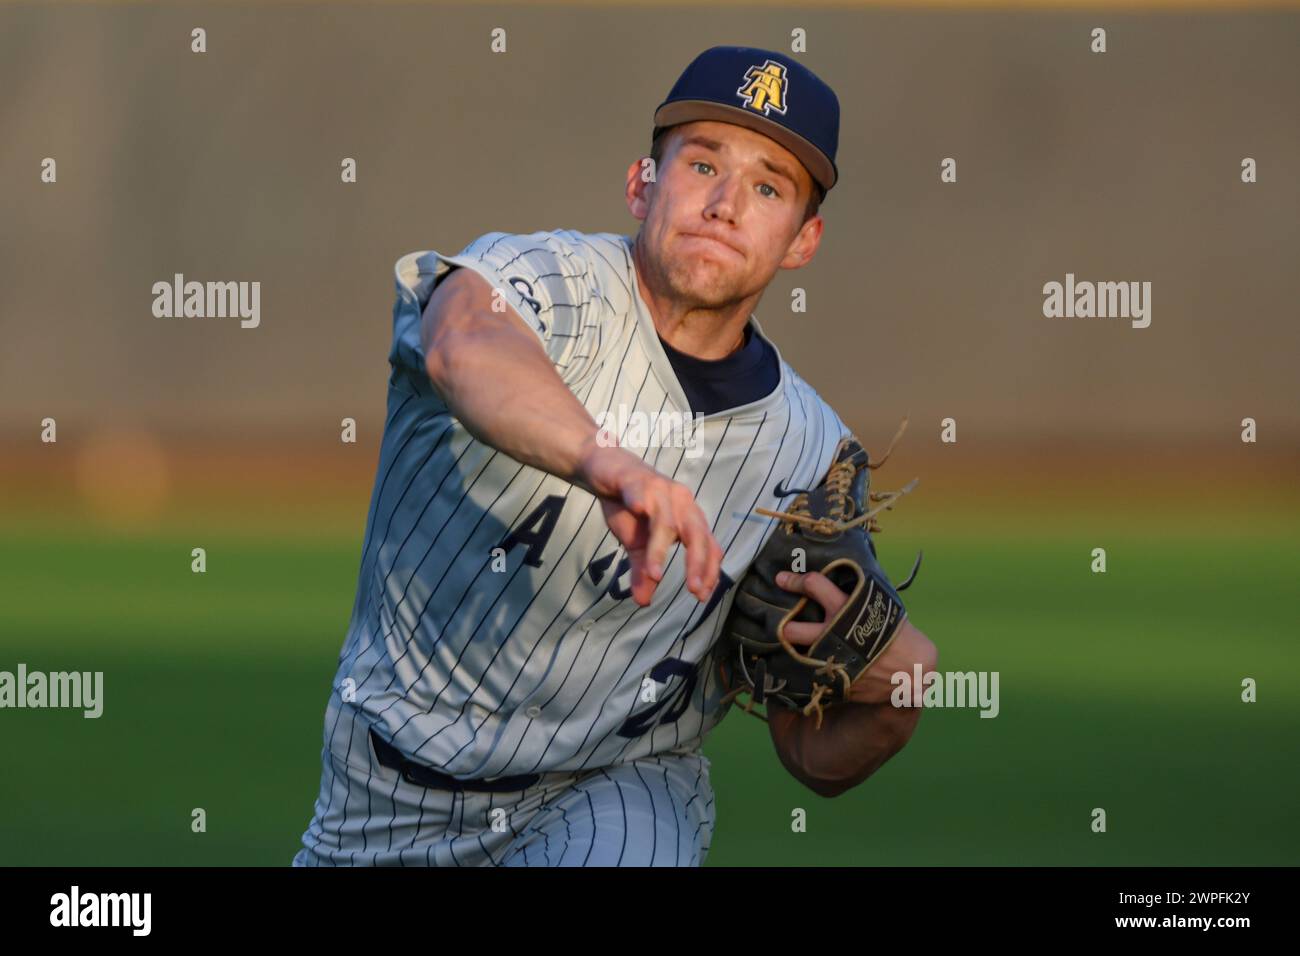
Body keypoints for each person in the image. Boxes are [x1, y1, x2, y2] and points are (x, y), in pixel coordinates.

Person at [294, 45, 936, 868]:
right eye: (703, 163)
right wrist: (610, 463)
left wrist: (899, 699)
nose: (726, 202)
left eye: (768, 187)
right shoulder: (543, 281)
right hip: (378, 798)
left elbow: (812, 758)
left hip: (611, 791)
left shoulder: (808, 455)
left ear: (802, 240)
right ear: (642, 183)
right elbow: (463, 347)